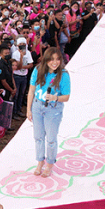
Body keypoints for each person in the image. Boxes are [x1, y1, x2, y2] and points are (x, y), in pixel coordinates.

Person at [26, 47, 70, 178]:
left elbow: (66, 97)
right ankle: (40, 161)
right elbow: (31, 91)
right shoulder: (38, 70)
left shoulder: (63, 75)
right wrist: (28, 109)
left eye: (57, 59)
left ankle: (50, 163)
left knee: (51, 139)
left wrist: (55, 97)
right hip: (37, 107)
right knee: (38, 137)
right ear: (46, 60)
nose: (54, 62)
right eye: (51, 59)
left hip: (53, 109)